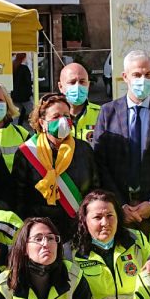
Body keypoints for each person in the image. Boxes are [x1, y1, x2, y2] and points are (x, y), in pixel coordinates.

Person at [93, 50, 150, 229]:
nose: (143, 79)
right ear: (125, 77)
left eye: (148, 74)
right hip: (117, 212)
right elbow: (100, 164)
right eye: (137, 74)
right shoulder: (107, 112)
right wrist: (119, 205)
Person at [12, 93, 98, 244]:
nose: (63, 121)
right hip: (41, 234)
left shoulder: (84, 149)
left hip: (77, 229)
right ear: (42, 123)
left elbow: (95, 189)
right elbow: (18, 198)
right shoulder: (27, 152)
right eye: (56, 116)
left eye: (66, 115)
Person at [59, 62, 101, 143]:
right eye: (72, 82)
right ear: (60, 87)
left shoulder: (102, 114)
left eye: (82, 82)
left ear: (88, 85)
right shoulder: (53, 117)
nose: (77, 86)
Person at [11, 53, 33, 126]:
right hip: (25, 96)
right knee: (34, 113)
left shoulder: (12, 66)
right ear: (24, 58)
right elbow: (28, 81)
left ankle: (15, 130)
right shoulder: (24, 68)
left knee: (15, 116)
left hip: (15, 95)